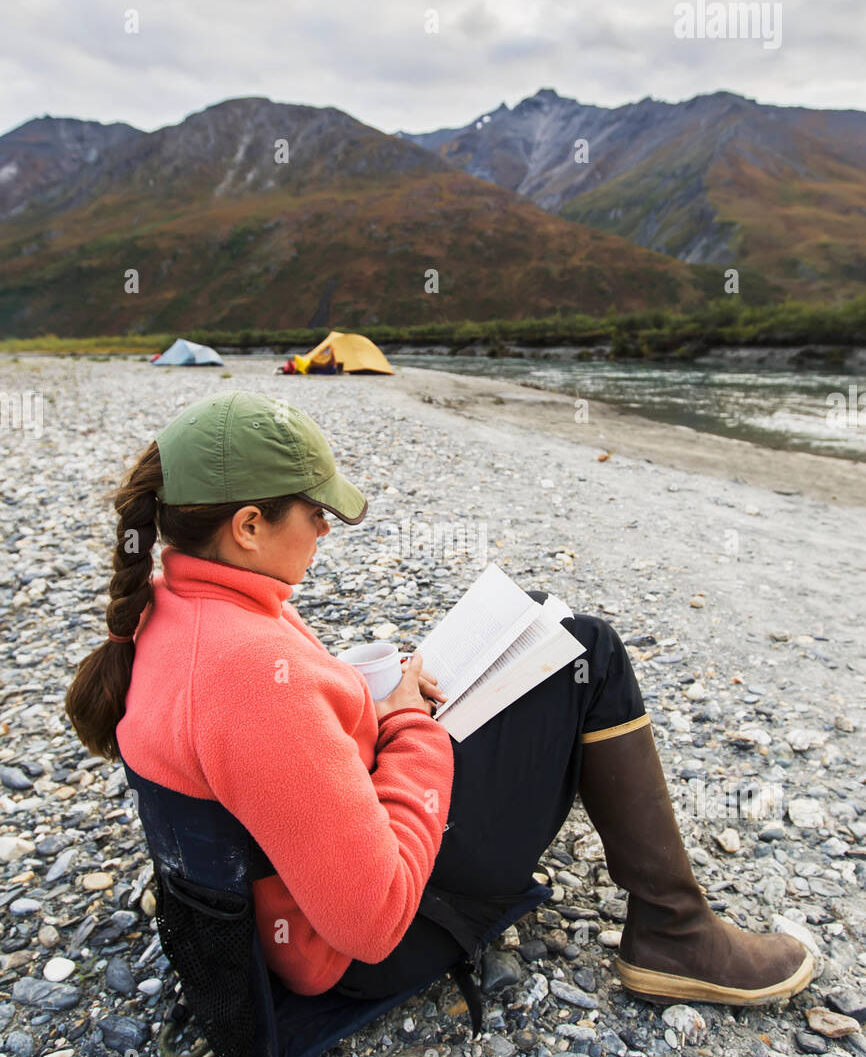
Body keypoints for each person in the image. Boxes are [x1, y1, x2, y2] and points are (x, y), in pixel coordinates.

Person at [65, 390, 815, 1014]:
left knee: (552, 647)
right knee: (590, 652)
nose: (327, 529)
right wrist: (407, 722)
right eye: (315, 512)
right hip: (343, 945)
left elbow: (268, 740)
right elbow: (374, 916)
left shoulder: (174, 606)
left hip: (283, 881)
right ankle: (675, 931)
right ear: (249, 526)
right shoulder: (248, 670)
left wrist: (374, 697)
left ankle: (671, 919)